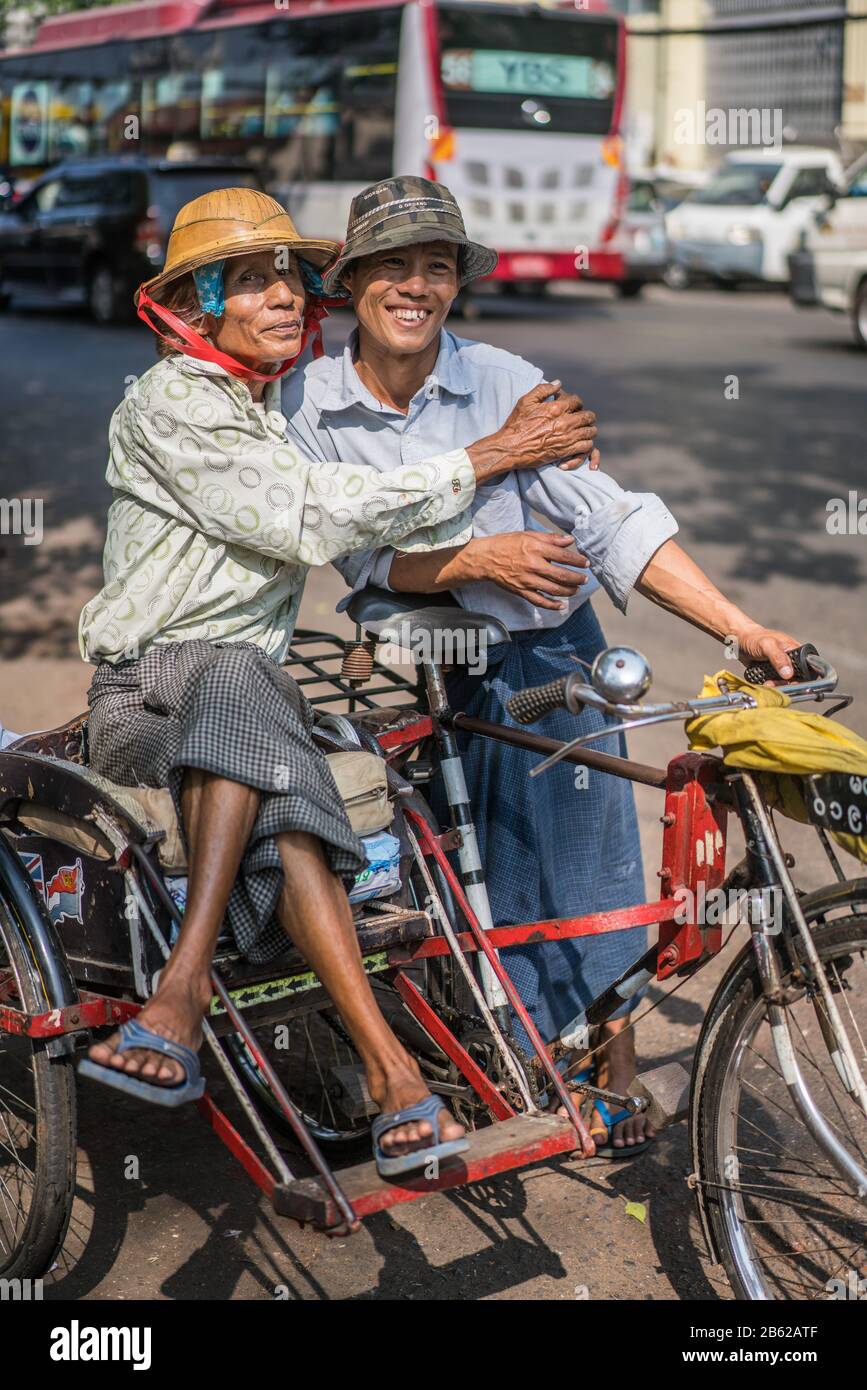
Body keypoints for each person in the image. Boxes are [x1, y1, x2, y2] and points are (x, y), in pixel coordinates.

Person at [76, 186, 601, 1176]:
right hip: (142, 701)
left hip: (238, 713)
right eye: (256, 279)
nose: (285, 294)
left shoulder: (264, 412)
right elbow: (310, 519)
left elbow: (381, 518)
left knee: (267, 746)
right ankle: (194, 988)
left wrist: (536, 474)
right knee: (242, 675)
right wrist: (490, 453)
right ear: (203, 302)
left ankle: (393, 1075)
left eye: (292, 277)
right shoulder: (172, 403)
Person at [283, 176, 800, 1156]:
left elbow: (615, 521)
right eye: (393, 264)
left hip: (552, 651)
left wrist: (743, 628)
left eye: (437, 267)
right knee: (462, 880)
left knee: (598, 863)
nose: (416, 286)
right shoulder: (310, 400)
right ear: (352, 281)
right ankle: (487, 1051)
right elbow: (350, 542)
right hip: (427, 654)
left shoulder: (505, 376)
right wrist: (477, 554)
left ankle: (614, 1073)